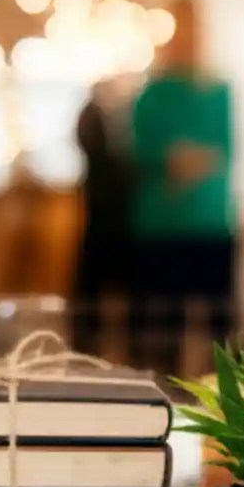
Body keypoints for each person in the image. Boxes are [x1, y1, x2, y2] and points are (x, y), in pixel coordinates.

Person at [129, 0, 236, 373]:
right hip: (162, 230)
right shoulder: (151, 95)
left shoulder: (219, 91)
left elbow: (220, 150)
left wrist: (184, 160)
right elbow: (147, 154)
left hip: (210, 226)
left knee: (218, 334)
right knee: (159, 333)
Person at [72, 77, 136, 357]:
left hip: (123, 216)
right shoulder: (90, 116)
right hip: (99, 213)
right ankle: (86, 342)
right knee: (92, 284)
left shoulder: (126, 119)